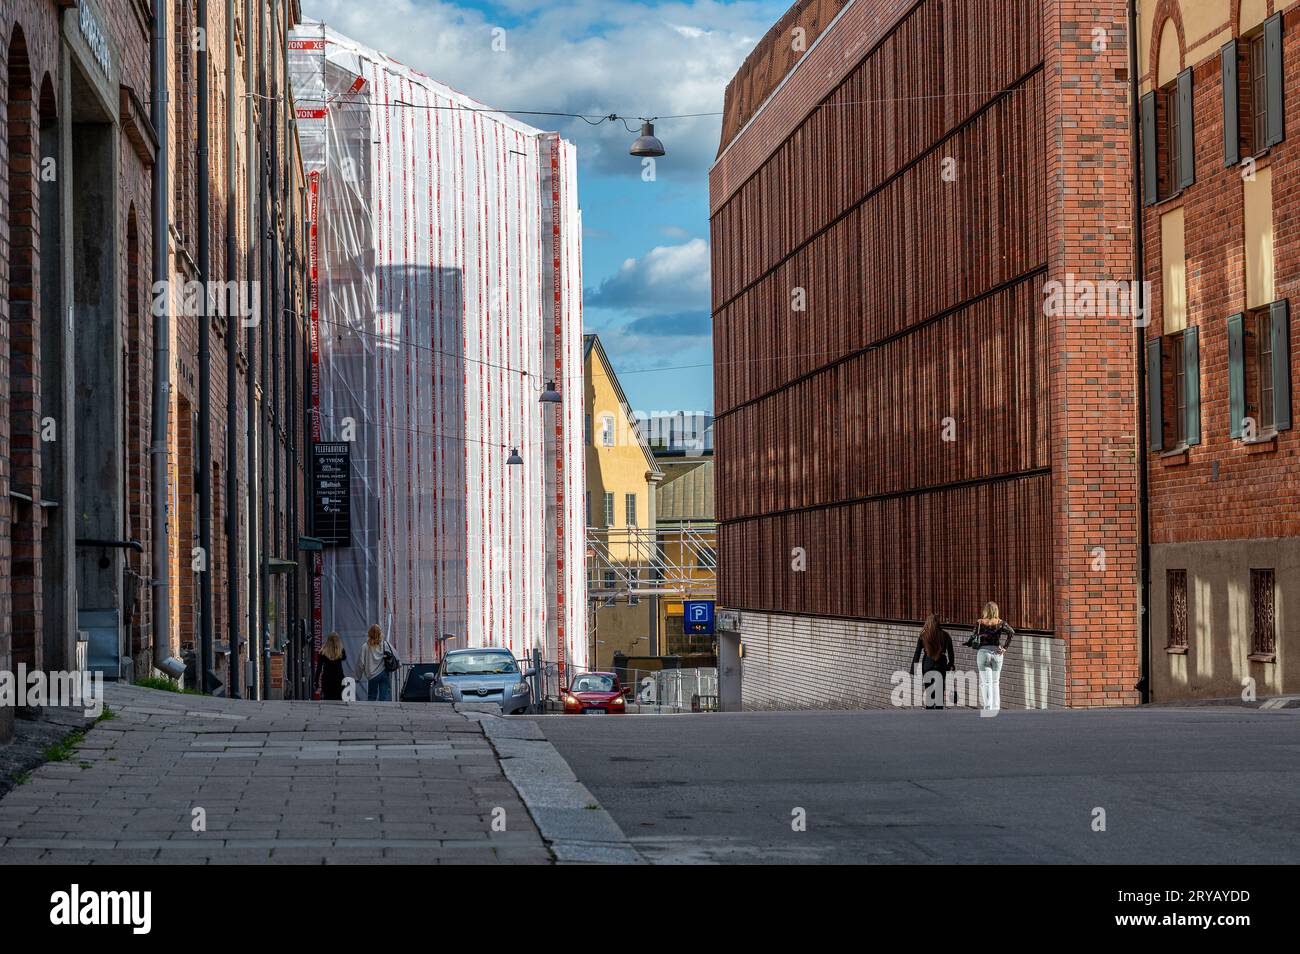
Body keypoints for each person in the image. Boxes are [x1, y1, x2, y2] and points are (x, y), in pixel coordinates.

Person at [969, 602, 1015, 712]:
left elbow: (973, 636)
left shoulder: (980, 622)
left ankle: (988, 707)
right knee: (995, 682)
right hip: (997, 654)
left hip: (983, 653)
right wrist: (1005, 647)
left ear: (985, 610)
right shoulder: (1000, 623)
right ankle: (996, 708)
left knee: (986, 682)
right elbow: (1011, 632)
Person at [910, 614, 954, 709]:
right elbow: (951, 652)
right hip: (941, 664)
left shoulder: (923, 635)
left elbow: (917, 652)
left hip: (928, 664)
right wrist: (950, 664)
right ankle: (939, 715)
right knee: (939, 692)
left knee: (929, 692)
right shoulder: (945, 635)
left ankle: (929, 715)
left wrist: (913, 668)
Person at [355, 624, 396, 701]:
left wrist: (358, 677)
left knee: (372, 696)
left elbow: (361, 663)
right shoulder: (385, 644)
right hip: (384, 673)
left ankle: (371, 712)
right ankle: (383, 712)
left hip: (372, 675)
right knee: (383, 697)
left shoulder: (365, 646)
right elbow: (393, 655)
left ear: (369, 633)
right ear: (380, 633)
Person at [317, 632, 348, 701]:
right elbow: (344, 657)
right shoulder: (341, 651)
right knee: (339, 700)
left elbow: (319, 668)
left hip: (327, 679)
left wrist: (316, 681)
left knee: (327, 700)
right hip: (339, 678)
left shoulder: (323, 652)